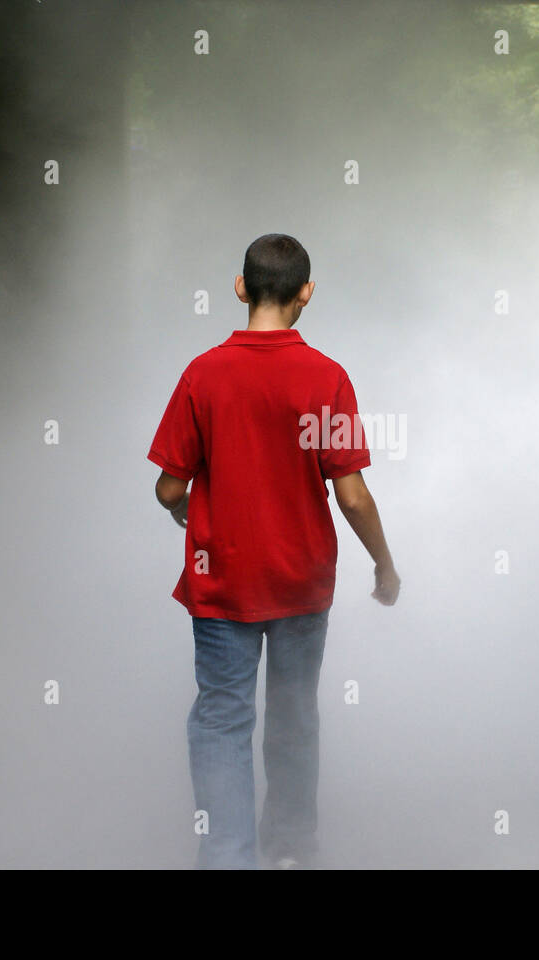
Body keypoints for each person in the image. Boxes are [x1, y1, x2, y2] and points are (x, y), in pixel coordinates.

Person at [147, 233, 400, 869]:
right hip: (301, 581)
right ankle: (289, 853)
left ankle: (228, 857)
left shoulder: (203, 374)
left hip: (222, 581)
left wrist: (184, 507)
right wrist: (384, 564)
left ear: (240, 287)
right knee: (292, 719)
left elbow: (169, 485)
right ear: (306, 293)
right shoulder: (326, 378)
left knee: (223, 720)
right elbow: (353, 495)